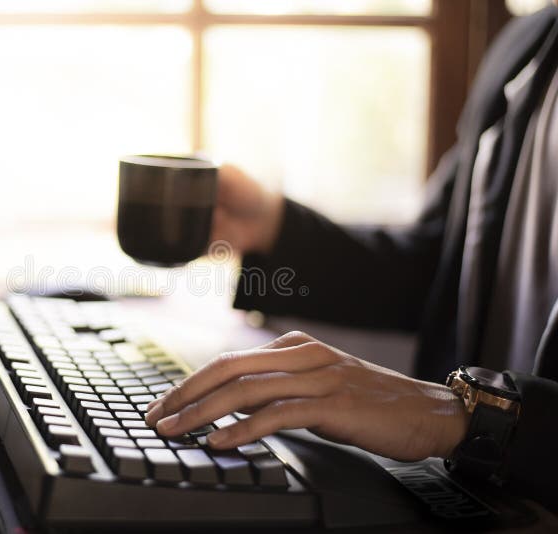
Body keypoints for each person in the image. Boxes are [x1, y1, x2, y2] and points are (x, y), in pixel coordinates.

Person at [146, 4, 558, 512]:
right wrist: (273, 226)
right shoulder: (531, 43)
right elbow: (434, 274)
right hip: (476, 500)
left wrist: (462, 419)